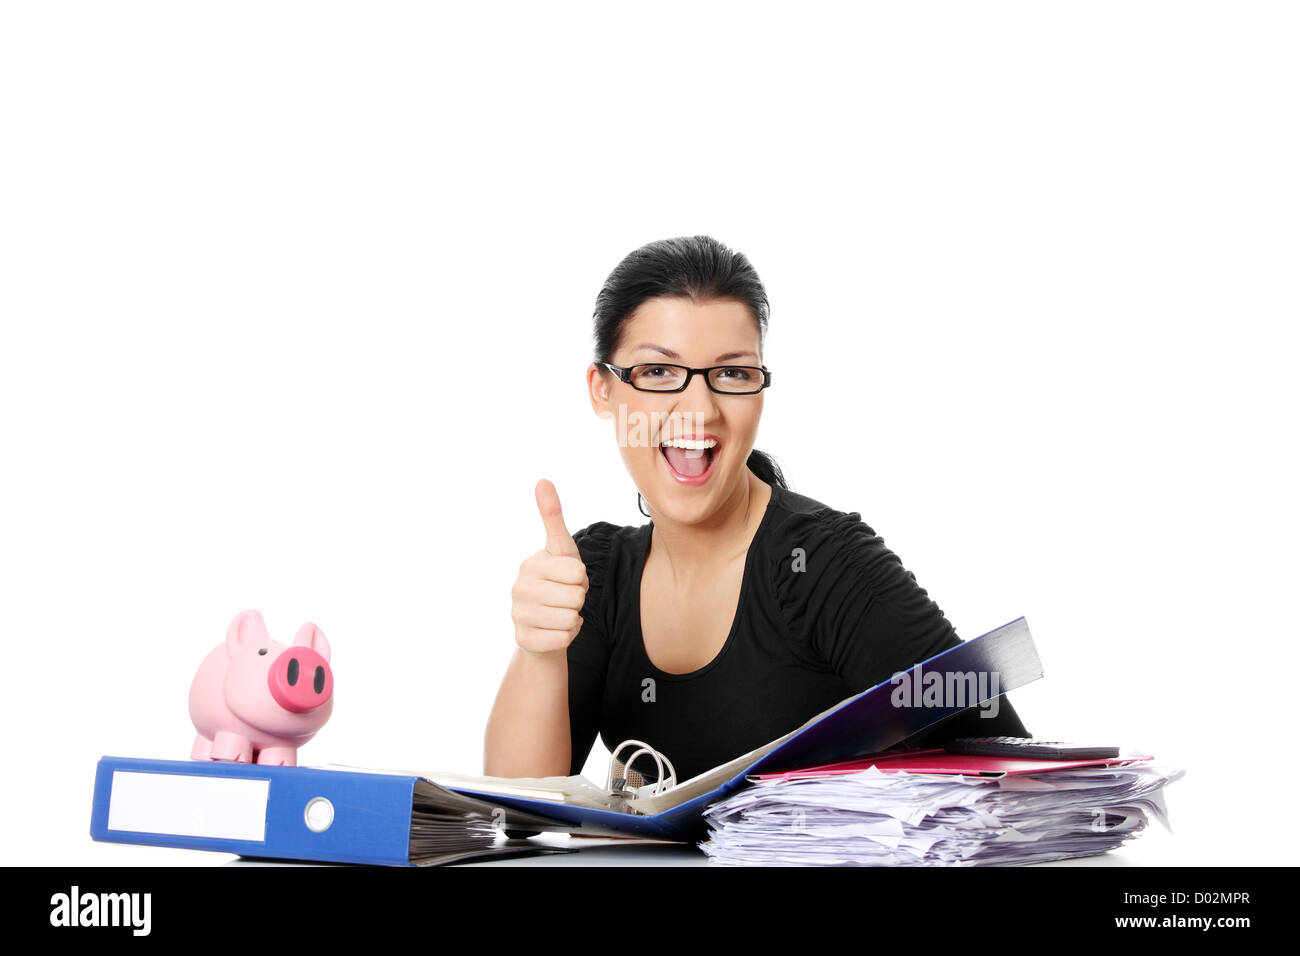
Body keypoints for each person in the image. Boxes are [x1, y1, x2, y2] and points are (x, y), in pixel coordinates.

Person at [484, 235, 1029, 783]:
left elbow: (1013, 767)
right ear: (602, 390)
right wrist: (538, 651)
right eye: (658, 373)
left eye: (732, 374)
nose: (698, 410)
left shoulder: (827, 565)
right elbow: (518, 807)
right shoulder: (596, 573)